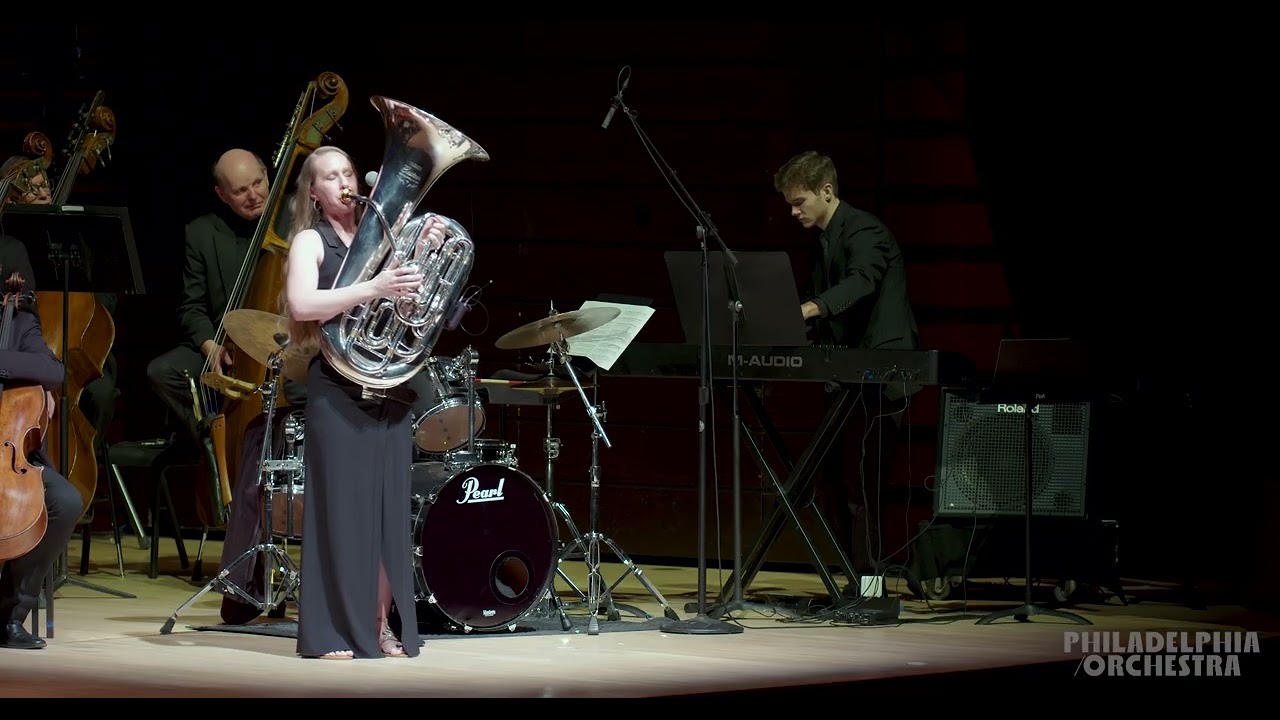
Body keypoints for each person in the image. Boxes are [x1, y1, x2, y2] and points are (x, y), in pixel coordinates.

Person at [282, 145, 441, 660]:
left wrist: (415, 284)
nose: (344, 181)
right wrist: (373, 286)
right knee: (338, 518)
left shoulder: (388, 238)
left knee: (388, 519)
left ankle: (378, 627)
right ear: (314, 192)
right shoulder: (311, 240)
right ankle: (329, 631)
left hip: (389, 390)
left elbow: (411, 310)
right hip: (336, 387)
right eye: (331, 176)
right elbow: (304, 305)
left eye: (348, 171)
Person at [774, 150, 922, 585]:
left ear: (827, 190)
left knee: (865, 482)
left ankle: (870, 583)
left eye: (799, 201)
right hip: (847, 373)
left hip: (883, 373)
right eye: (789, 203)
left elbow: (862, 282)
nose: (793, 210)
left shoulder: (865, 230)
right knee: (836, 478)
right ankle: (852, 579)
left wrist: (808, 308)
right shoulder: (823, 241)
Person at [145, 148, 307, 452]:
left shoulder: (297, 216)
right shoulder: (202, 232)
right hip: (229, 347)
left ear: (267, 175)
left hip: (287, 344)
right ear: (222, 195)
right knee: (162, 371)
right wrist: (211, 346)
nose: (254, 195)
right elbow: (191, 307)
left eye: (258, 183)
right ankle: (214, 444)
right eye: (240, 191)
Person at [0, 154, 118, 460]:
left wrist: (86, 301)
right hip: (25, 349)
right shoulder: (8, 246)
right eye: (31, 189)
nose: (42, 195)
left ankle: (86, 457)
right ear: (12, 197)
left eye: (45, 188)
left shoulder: (74, 235)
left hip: (76, 351)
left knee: (101, 395)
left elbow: (108, 295)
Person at [0, 291, 84, 650]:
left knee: (65, 501)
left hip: (10, 454)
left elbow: (52, 370)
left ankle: (9, 614)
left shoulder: (18, 320)